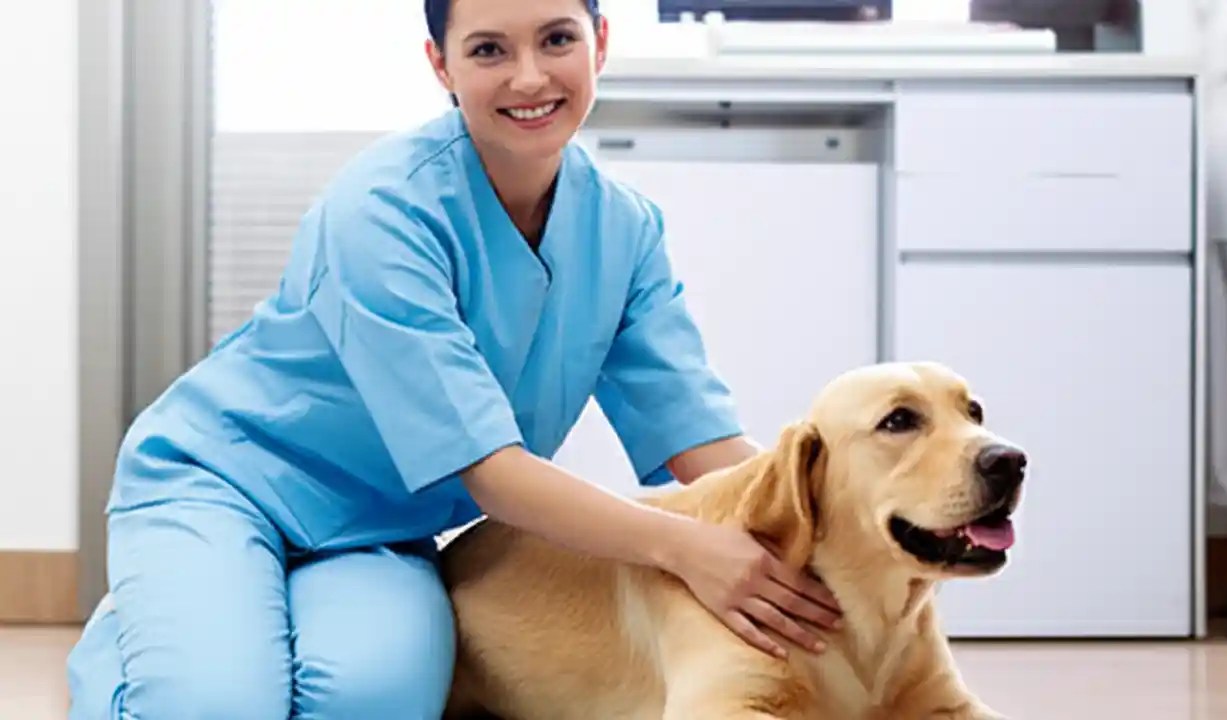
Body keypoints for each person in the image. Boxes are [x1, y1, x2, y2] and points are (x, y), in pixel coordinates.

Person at [65, 0, 843, 717]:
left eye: (557, 39)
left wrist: (841, 527)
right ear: (442, 64)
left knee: (377, 704)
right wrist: (685, 546)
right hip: (222, 484)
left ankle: (218, 623)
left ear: (599, 43)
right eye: (489, 49)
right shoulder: (383, 208)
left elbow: (702, 446)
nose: (530, 76)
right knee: (219, 707)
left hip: (378, 528)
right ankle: (144, 633)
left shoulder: (624, 230)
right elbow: (490, 472)